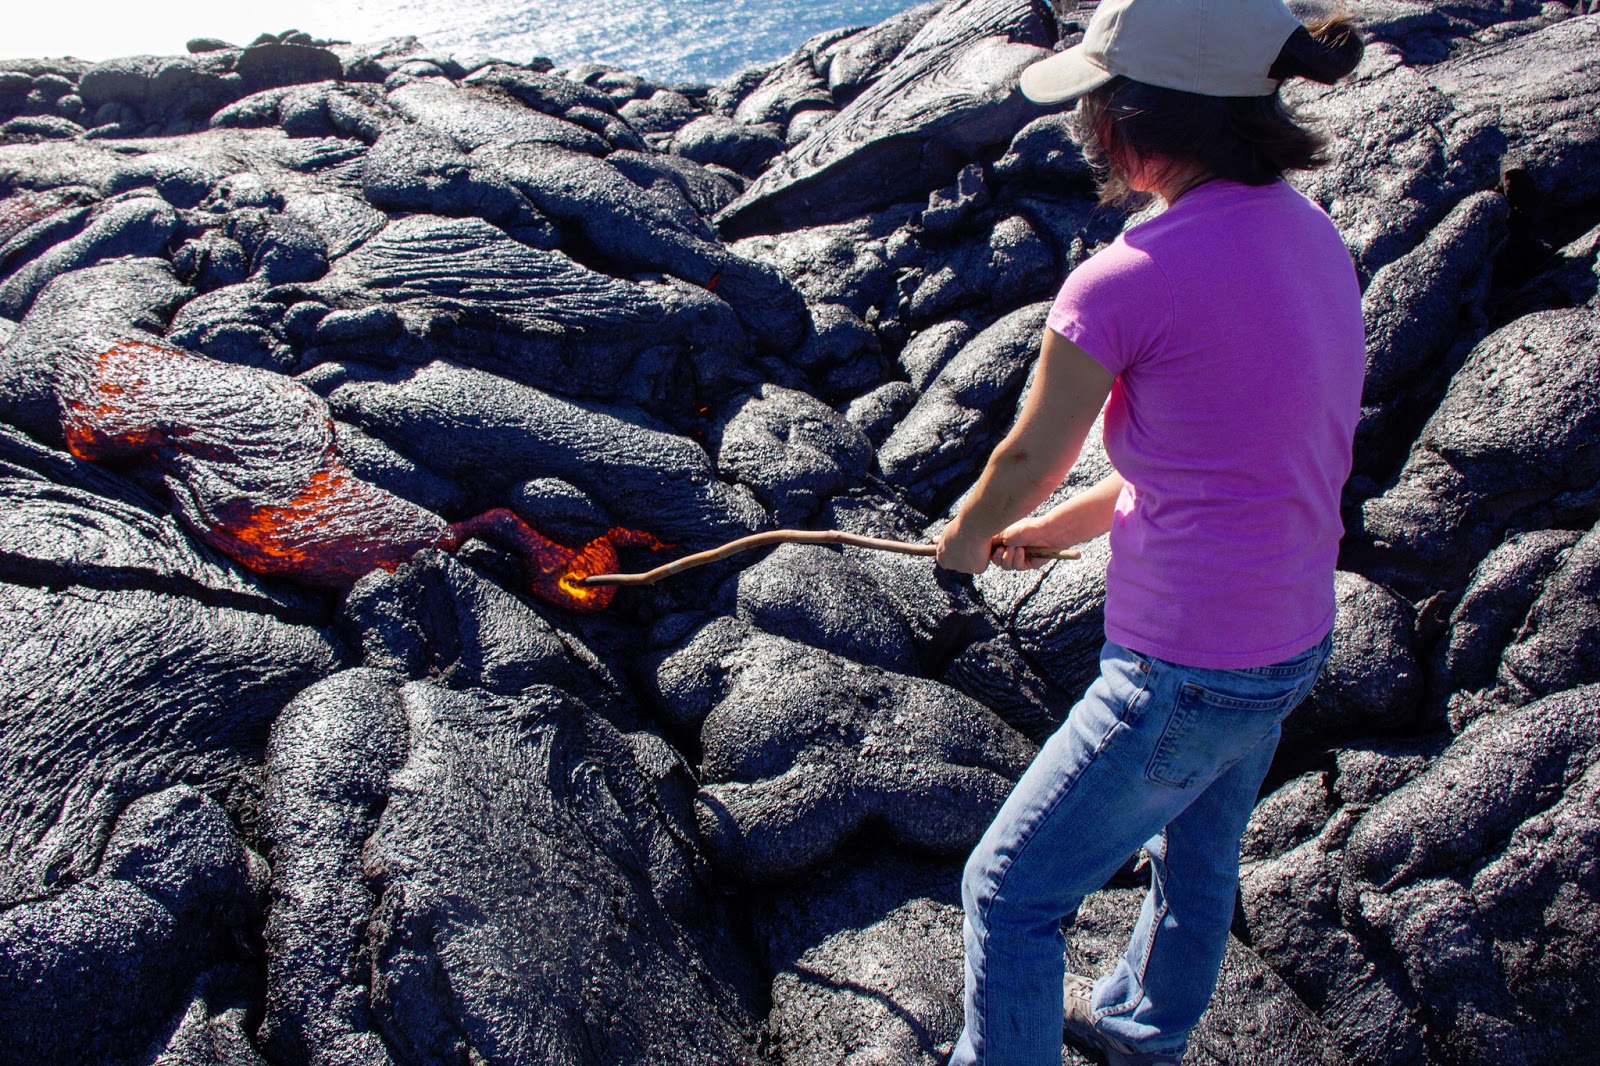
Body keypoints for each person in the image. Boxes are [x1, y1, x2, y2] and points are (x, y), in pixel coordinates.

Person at [932, 3, 1367, 1064]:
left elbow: (1024, 455)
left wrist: (965, 539)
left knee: (1008, 889)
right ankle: (1140, 1033)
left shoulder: (1125, 278)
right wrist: (1058, 530)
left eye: (1092, 102)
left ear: (1132, 120)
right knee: (1198, 860)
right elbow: (1223, 468)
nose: (1083, 123)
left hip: (1182, 667)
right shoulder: (1311, 236)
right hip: (1289, 639)